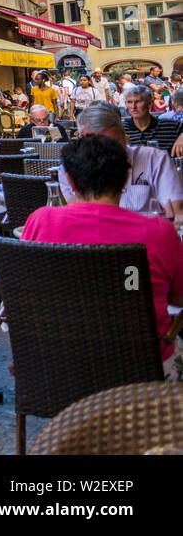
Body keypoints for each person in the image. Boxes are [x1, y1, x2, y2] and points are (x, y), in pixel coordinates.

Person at [24, 133, 183, 376]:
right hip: (144, 373)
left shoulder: (40, 221)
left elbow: (25, 293)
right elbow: (179, 299)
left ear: (70, 181)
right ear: (126, 178)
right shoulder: (160, 231)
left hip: (59, 369)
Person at [59, 103, 183, 223]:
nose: (107, 151)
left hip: (148, 238)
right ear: (82, 140)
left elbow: (176, 212)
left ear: (124, 136)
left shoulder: (155, 159)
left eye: (113, 143)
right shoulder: (70, 167)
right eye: (97, 144)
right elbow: (80, 216)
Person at [122, 84, 182, 152]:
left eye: (138, 102)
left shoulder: (169, 126)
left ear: (150, 103)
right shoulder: (121, 128)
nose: (133, 106)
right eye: (129, 102)